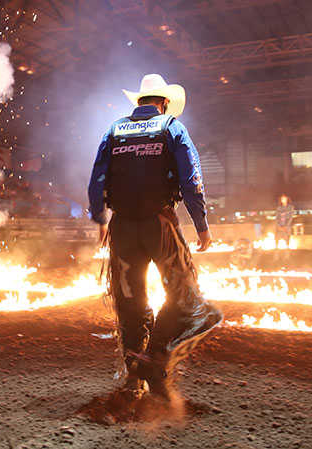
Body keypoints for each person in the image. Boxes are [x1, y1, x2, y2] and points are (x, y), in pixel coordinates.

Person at [88, 74, 223, 401]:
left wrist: (101, 219)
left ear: (139, 102)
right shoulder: (171, 127)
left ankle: (134, 377)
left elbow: (97, 180)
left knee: (129, 300)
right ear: (163, 102)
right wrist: (202, 225)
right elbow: (192, 180)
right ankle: (156, 356)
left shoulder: (114, 129)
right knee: (184, 294)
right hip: (158, 224)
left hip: (121, 227)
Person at [274, 194, 294, 260]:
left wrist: (286, 226)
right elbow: (277, 218)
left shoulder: (290, 207)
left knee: (287, 243)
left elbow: (290, 217)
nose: (283, 200)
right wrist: (279, 226)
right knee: (276, 243)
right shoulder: (278, 208)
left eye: (284, 198)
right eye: (282, 199)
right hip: (279, 228)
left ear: (287, 199)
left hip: (286, 228)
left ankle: (286, 258)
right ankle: (276, 258)